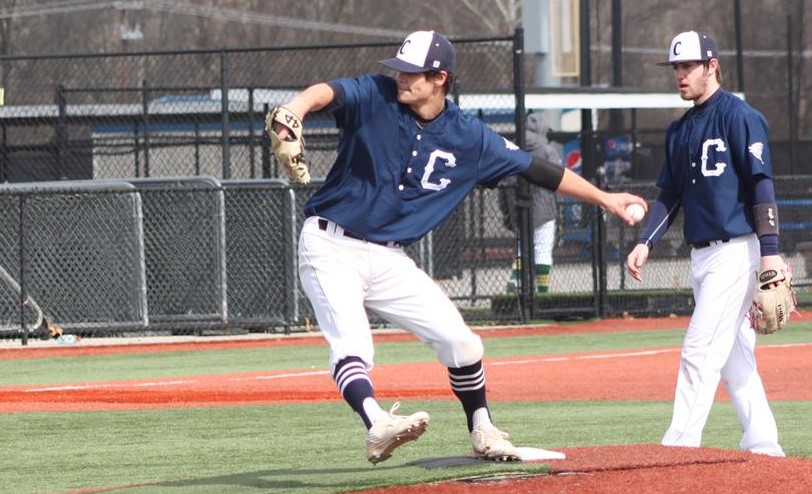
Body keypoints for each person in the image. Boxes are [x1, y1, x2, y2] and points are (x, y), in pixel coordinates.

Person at [273, 30, 647, 465]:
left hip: (390, 256)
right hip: (329, 243)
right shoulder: (375, 94)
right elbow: (326, 92)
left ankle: (483, 429)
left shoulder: (470, 137)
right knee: (352, 344)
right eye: (400, 69)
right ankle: (376, 424)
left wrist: (605, 198)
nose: (401, 78)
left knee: (463, 343)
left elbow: (540, 171)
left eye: (413, 73)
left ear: (440, 78)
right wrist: (293, 110)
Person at [625, 31, 785, 457]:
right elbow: (669, 194)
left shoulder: (740, 116)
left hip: (736, 251)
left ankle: (679, 444)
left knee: (699, 347)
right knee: (735, 357)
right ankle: (764, 443)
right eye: (676, 68)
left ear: (711, 66)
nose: (680, 75)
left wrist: (770, 250)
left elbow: (761, 185)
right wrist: (646, 242)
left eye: (688, 67)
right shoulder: (679, 130)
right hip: (702, 256)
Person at [505, 112, 564, 294]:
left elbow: (505, 182)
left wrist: (507, 211)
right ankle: (543, 292)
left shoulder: (513, 148)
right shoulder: (547, 150)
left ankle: (515, 283)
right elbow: (559, 181)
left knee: (523, 248)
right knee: (543, 248)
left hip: (518, 206)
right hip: (544, 206)